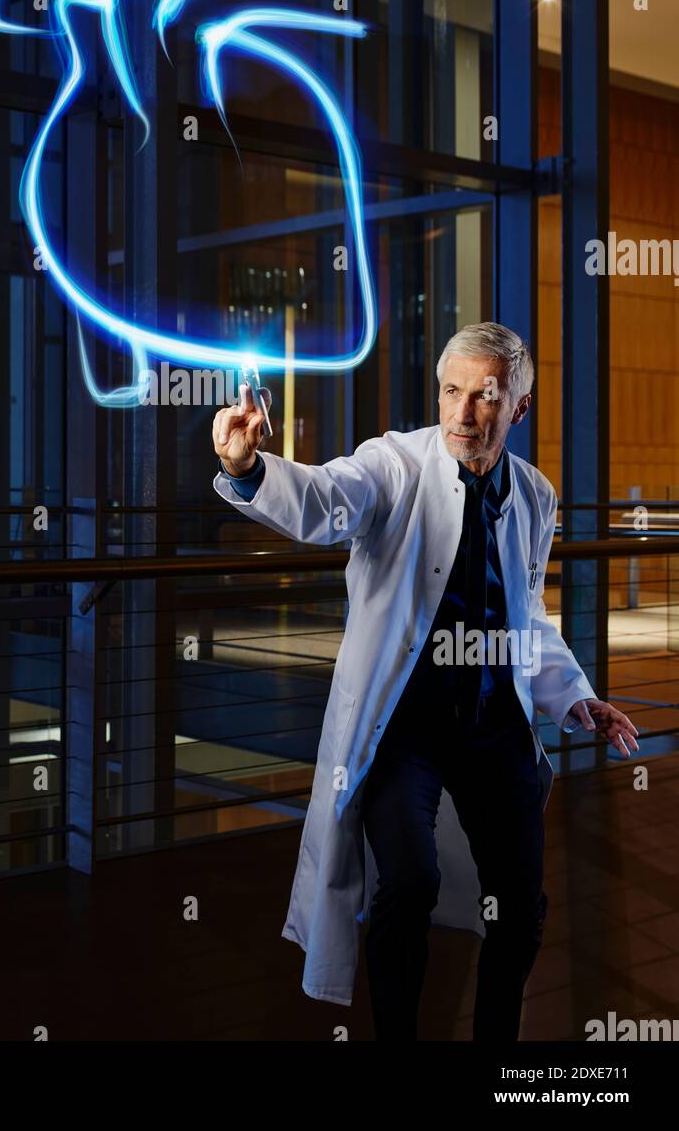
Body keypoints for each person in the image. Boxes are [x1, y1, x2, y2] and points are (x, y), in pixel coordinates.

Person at [212, 322, 638, 1039]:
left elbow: (526, 616)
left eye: (485, 396)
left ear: (519, 408)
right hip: (406, 728)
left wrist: (576, 696)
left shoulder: (535, 496)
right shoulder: (393, 466)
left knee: (522, 905)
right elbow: (323, 499)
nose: (464, 414)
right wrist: (250, 469)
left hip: (493, 722)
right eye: (451, 392)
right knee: (405, 887)